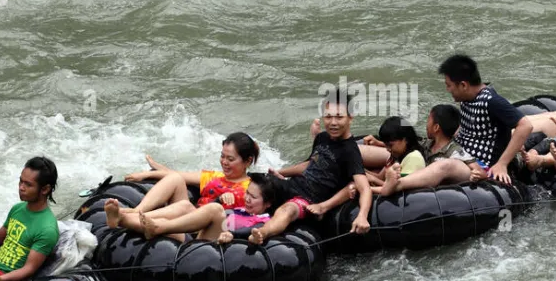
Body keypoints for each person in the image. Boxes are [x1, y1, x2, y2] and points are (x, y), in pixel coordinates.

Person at [378, 55, 532, 197]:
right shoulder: (467, 99)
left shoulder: (492, 101)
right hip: (459, 152)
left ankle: (397, 184)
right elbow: (465, 130)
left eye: (449, 85)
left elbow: (525, 125)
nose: (448, 89)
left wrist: (501, 164)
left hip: (478, 166)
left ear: (463, 85)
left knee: (445, 166)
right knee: (398, 149)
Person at [247, 91, 372, 243]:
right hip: (293, 185)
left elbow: (364, 187)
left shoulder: (350, 151)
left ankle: (261, 233)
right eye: (328, 116)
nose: (333, 122)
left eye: (339, 117)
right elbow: (309, 165)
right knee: (255, 183)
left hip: (310, 201)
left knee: (288, 210)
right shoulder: (322, 138)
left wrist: (362, 216)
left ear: (350, 117)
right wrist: (279, 173)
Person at [109, 132, 258, 234]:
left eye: (230, 159)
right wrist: (148, 173)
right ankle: (137, 211)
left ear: (247, 161)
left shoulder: (253, 188)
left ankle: (123, 218)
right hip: (187, 222)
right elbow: (177, 175)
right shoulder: (215, 177)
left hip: (208, 231)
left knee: (187, 206)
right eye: (222, 156)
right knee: (175, 179)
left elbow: (252, 218)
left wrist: (231, 203)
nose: (224, 162)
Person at [107, 172, 288, 243]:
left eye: (253, 197)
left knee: (216, 211)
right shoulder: (241, 209)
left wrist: (233, 234)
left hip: (212, 247)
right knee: (186, 204)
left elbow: (254, 231)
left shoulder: (264, 221)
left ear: (268, 204)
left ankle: (157, 226)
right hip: (199, 233)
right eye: (247, 193)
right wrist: (218, 200)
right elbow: (209, 217)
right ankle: (123, 217)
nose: (247, 199)